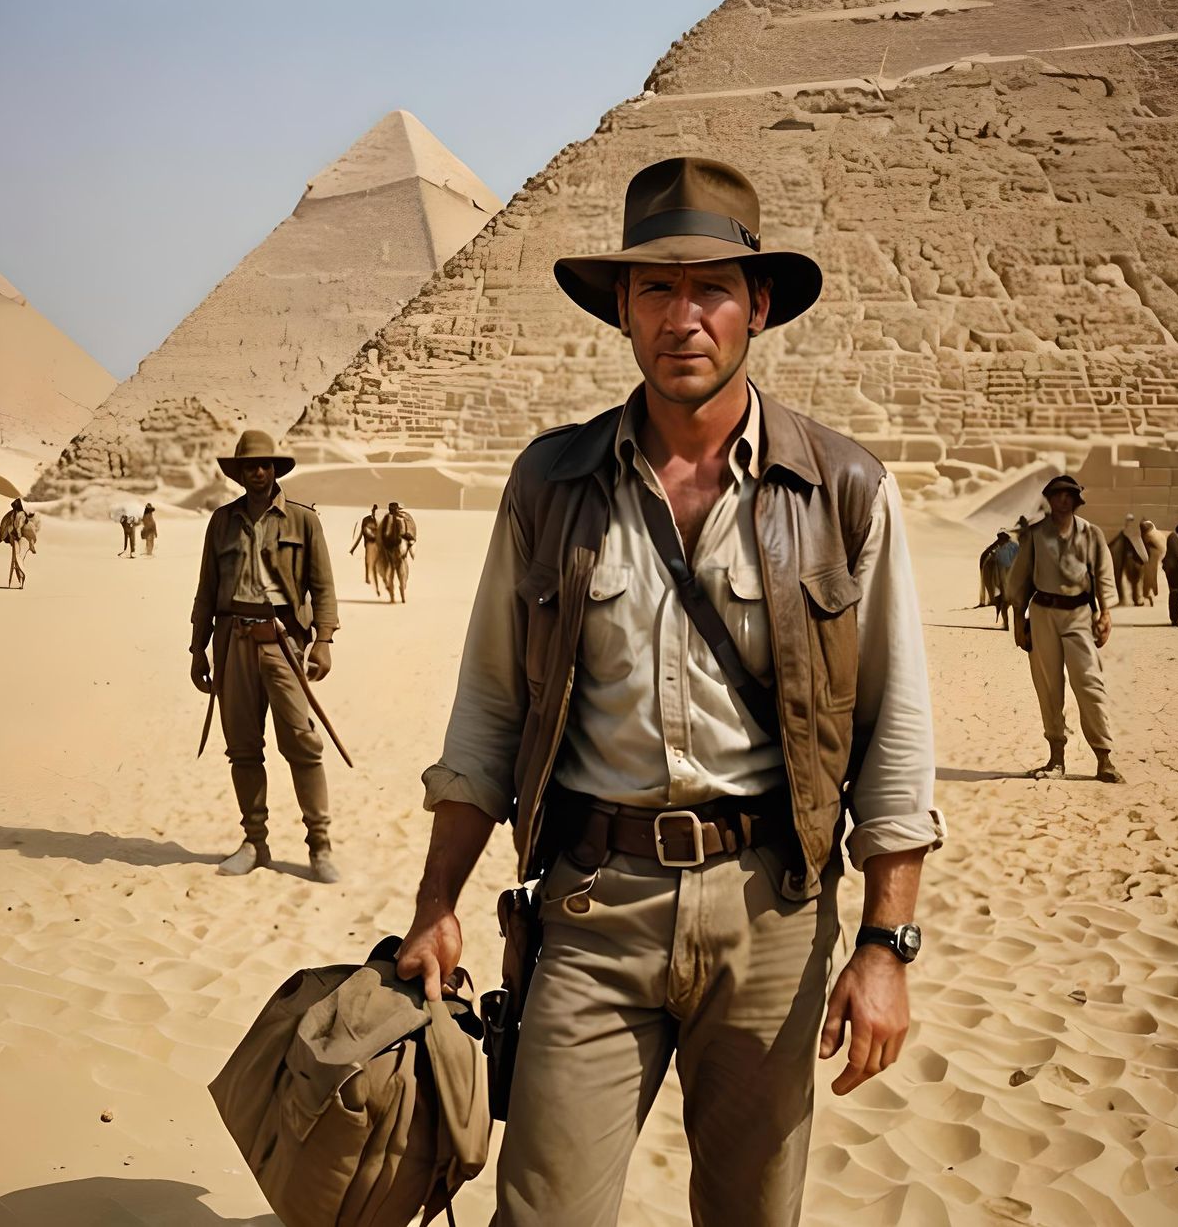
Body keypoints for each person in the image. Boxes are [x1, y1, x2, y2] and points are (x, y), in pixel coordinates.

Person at [393, 157, 945, 1226]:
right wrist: (435, 904)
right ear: (621, 308)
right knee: (542, 1211)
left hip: (772, 913)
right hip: (593, 906)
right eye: (654, 287)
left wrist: (886, 948)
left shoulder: (843, 490)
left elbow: (897, 735)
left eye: (710, 289)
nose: (681, 318)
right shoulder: (550, 485)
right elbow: (490, 709)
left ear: (759, 305)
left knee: (751, 1213)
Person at [189, 430, 340, 883]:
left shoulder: (303, 521)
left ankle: (320, 846)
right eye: (249, 466)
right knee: (242, 747)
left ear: (275, 469)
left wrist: (324, 640)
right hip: (231, 641)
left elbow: (323, 586)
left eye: (265, 465)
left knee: (303, 743)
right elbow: (206, 589)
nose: (258, 472)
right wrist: (198, 649)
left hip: (284, 643)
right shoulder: (222, 522)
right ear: (239, 473)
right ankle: (255, 842)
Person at [1006, 475, 1124, 782]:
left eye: (1068, 494)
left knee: (1089, 683)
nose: (1062, 499)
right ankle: (1056, 759)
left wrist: (1106, 613)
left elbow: (1103, 573)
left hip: (1079, 615)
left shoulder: (1091, 534)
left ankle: (1104, 758)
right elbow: (1020, 578)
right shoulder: (1035, 535)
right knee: (1049, 687)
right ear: (1049, 498)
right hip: (1043, 614)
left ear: (1076, 499)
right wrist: (1018, 620)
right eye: (1057, 494)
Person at [350, 504, 380, 587]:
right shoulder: (366, 520)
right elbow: (363, 532)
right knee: (368, 559)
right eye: (374, 511)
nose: (375, 513)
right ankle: (367, 577)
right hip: (369, 542)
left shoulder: (380, 520)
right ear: (372, 511)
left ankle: (375, 577)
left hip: (378, 543)